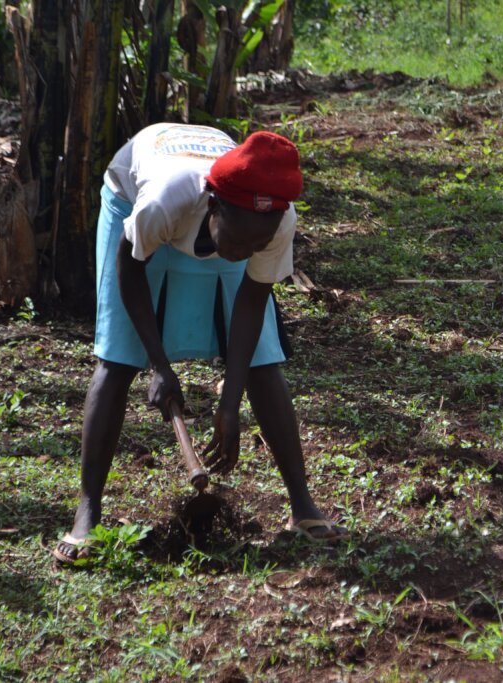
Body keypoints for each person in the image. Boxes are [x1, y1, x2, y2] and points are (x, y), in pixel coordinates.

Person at [53, 124, 347, 564]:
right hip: (132, 197)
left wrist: (229, 405)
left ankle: (303, 508)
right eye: (240, 240)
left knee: (264, 362)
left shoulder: (274, 219)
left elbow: (251, 305)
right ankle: (87, 514)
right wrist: (158, 365)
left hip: (216, 213)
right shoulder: (162, 202)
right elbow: (130, 271)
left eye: (257, 244)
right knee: (117, 358)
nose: (246, 251)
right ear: (214, 206)